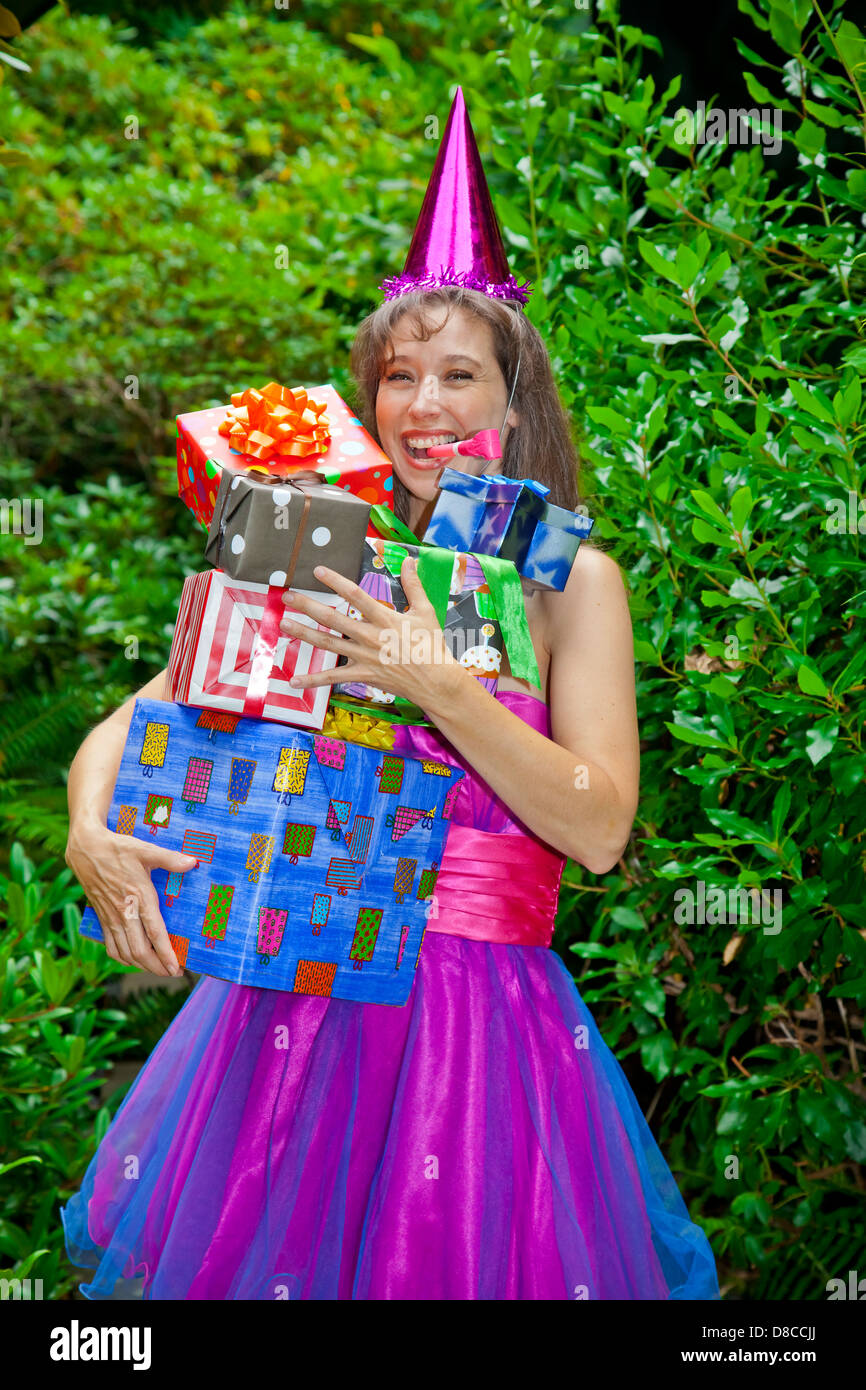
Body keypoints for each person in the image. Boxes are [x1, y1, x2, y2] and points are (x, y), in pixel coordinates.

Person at [60, 89, 719, 1300]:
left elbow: (597, 828)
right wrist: (89, 822)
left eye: (458, 375)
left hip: (486, 1045)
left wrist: (445, 691)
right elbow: (133, 715)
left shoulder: (573, 587)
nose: (426, 407)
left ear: (512, 403)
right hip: (296, 1017)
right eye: (399, 377)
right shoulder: (327, 555)